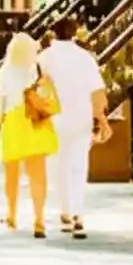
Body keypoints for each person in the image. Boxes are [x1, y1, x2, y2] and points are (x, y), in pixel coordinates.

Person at [39, 16, 111, 240]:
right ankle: (78, 214)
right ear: (75, 32)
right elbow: (98, 93)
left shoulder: (44, 59)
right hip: (81, 118)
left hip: (53, 119)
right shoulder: (85, 58)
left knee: (57, 166)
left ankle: (65, 213)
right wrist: (103, 120)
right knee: (78, 166)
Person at [0, 33, 58, 238]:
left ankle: (12, 215)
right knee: (38, 175)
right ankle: (39, 220)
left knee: (12, 175)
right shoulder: (38, 69)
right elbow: (48, 94)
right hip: (35, 121)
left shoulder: (6, 71)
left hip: (13, 122)